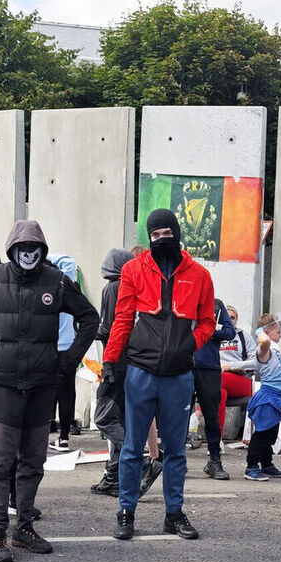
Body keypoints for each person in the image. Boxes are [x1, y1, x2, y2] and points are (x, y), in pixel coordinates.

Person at [0, 219, 98, 562]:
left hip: (42, 386)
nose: (28, 254)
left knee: (34, 461)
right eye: (22, 248)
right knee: (1, 462)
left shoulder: (56, 280)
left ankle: (24, 526)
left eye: (34, 248)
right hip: (4, 384)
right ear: (12, 249)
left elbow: (90, 318)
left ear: (42, 250)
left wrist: (68, 361)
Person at [103, 208, 214, 542]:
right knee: (132, 447)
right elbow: (123, 318)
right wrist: (109, 360)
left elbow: (208, 322)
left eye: (167, 233)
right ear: (148, 237)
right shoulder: (133, 270)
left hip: (179, 375)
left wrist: (189, 344)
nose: (162, 239)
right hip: (140, 371)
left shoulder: (200, 275)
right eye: (155, 235)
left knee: (176, 450)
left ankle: (173, 513)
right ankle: (126, 511)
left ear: (177, 233)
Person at [86, 247, 137, 497]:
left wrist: (85, 331)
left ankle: (135, 459)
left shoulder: (113, 288)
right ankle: (114, 475)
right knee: (120, 419)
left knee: (104, 417)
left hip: (114, 362)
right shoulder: (132, 287)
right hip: (131, 362)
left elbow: (109, 327)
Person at [191, 297, 238, 479]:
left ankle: (214, 460)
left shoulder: (216, 304)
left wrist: (209, 332)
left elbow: (229, 332)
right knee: (178, 415)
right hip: (183, 364)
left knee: (212, 415)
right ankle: (176, 461)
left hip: (209, 367)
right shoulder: (182, 298)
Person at [242, 313, 281, 480]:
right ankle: (251, 466)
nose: (280, 335)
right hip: (267, 397)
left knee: (270, 433)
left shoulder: (274, 348)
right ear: (266, 332)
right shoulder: (264, 347)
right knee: (262, 432)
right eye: (277, 332)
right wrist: (259, 331)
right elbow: (264, 342)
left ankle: (266, 464)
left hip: (275, 397)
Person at [47, 252, 84, 454]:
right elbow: (69, 261)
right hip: (67, 346)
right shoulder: (63, 284)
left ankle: (46, 430)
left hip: (48, 347)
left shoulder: (41, 287)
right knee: (67, 393)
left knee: (46, 391)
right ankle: (64, 437)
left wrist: (42, 258)